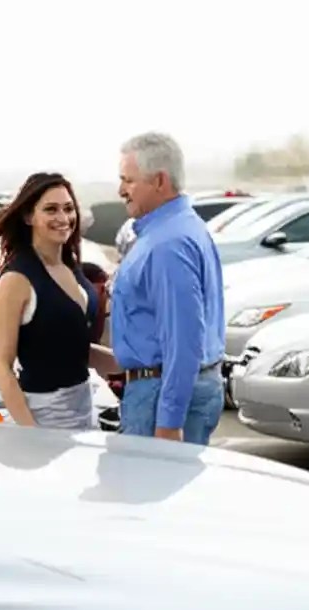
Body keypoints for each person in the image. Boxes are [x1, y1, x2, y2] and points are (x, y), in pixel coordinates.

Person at [110, 132, 226, 445]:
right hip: (169, 389)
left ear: (160, 181)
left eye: (128, 180)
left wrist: (169, 423)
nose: (121, 190)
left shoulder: (168, 244)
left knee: (148, 491)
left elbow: (184, 337)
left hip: (160, 397)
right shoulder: (178, 228)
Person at [0, 172, 120, 430]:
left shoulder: (71, 267)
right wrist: (32, 433)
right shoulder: (16, 279)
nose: (63, 218)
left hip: (84, 406)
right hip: (43, 416)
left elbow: (73, 347)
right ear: (28, 217)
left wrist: (141, 366)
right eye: (51, 209)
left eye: (68, 208)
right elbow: (2, 366)